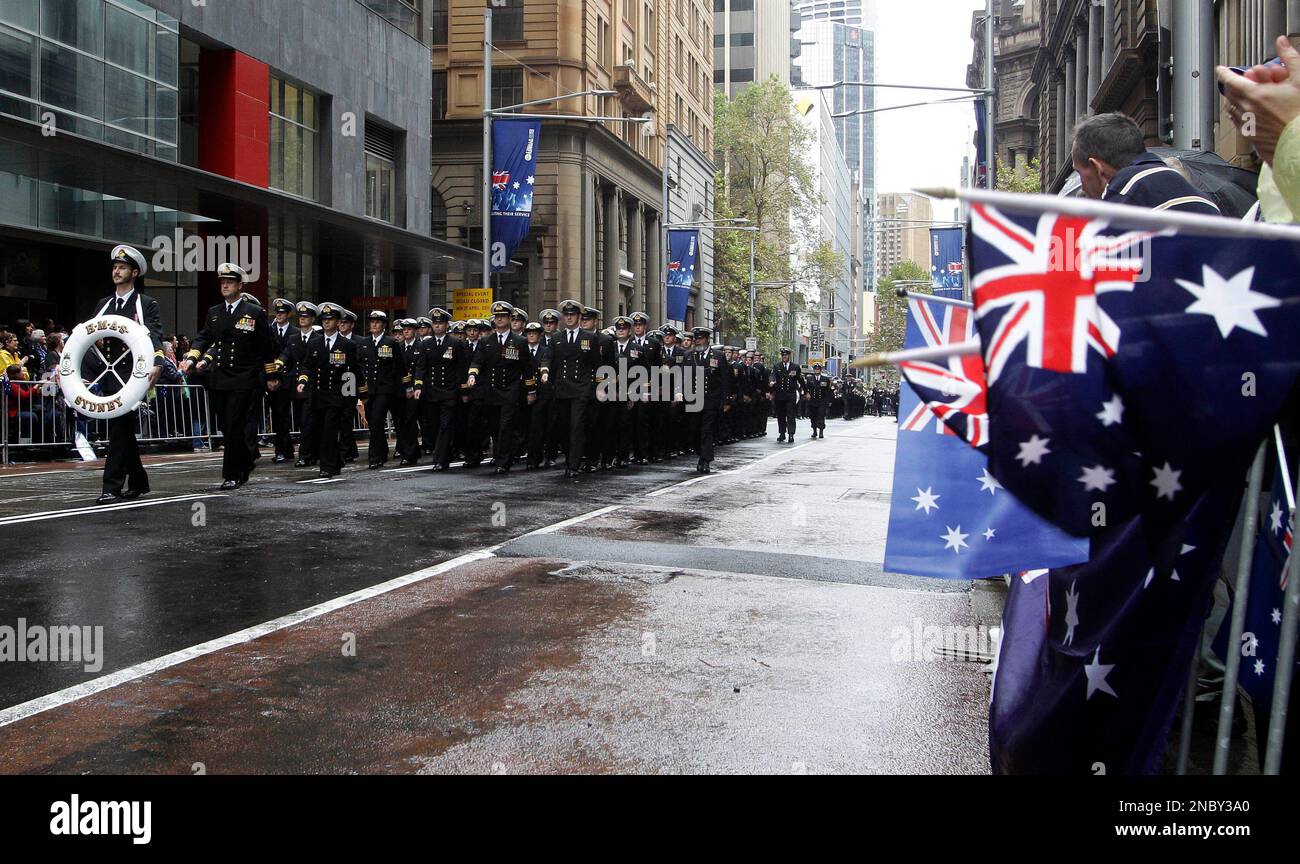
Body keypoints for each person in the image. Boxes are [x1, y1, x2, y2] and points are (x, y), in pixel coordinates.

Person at [181, 263, 275, 489]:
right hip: (221, 378)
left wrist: (272, 375)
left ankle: (232, 473)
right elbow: (204, 338)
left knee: (234, 424)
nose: (225, 285)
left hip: (245, 378)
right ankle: (244, 464)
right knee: (226, 424)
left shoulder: (253, 312)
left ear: (240, 285)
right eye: (222, 282)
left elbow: (266, 347)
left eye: (230, 282)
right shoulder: (215, 313)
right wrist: (192, 358)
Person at [89, 245, 165, 504]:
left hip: (133, 375)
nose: (116, 271)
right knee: (123, 431)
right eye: (114, 266)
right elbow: (88, 338)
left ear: (134, 272)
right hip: (110, 376)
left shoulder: (145, 304)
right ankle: (139, 482)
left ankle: (111, 486)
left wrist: (158, 363)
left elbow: (154, 334)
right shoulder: (104, 304)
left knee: (119, 429)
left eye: (122, 267)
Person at [1070, 112, 1220, 214]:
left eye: (1079, 172)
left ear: (1097, 167)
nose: (1082, 187)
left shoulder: (1125, 197)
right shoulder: (1200, 198)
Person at [295, 303, 364, 479]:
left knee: (329, 431)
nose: (326, 323)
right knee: (318, 431)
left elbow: (352, 371)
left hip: (336, 395)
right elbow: (307, 365)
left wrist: (354, 397)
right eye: (324, 319)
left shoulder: (347, 345)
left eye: (330, 319)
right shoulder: (314, 343)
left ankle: (326, 467)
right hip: (318, 394)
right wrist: (303, 380)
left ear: (338, 321)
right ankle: (336, 460)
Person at [467, 300, 533, 474]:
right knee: (494, 427)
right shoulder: (486, 341)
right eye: (497, 317)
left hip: (510, 390)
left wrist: (530, 390)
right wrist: (472, 374)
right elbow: (477, 361)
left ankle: (503, 462)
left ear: (510, 318)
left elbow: (527, 368)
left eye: (503, 316)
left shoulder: (519, 341)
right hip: (491, 391)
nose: (500, 319)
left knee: (506, 426)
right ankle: (501, 455)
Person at [413, 308, 465, 472]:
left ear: (446, 325)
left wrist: (460, 389)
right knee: (434, 425)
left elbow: (460, 368)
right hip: (432, 391)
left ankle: (439, 459)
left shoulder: (455, 343)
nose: (437, 326)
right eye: (435, 323)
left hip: (449, 391)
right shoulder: (425, 344)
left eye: (440, 323)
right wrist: (418, 386)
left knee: (445, 425)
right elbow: (421, 367)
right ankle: (445, 453)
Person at [357, 311, 408, 469]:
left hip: (386, 388)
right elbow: (359, 366)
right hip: (369, 389)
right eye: (372, 322)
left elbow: (401, 367)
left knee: (378, 419)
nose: (374, 325)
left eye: (377, 322)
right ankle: (382, 450)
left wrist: (406, 387)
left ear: (384, 325)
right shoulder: (364, 343)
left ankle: (375, 457)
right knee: (373, 422)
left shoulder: (391, 342)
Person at [685, 327, 730, 474]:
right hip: (693, 400)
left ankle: (705, 460)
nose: (697, 341)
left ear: (707, 339)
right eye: (696, 339)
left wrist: (725, 401)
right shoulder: (689, 355)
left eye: (700, 338)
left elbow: (724, 380)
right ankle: (701, 454)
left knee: (707, 430)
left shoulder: (718, 356)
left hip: (711, 399)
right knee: (694, 430)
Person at [770, 347, 802, 444]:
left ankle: (791, 434)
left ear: (789, 356)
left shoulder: (795, 367)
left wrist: (806, 391)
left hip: (790, 394)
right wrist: (771, 382)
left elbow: (800, 380)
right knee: (781, 415)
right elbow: (773, 375)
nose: (784, 357)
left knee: (791, 415)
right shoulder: (777, 366)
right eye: (783, 355)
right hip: (780, 394)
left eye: (786, 355)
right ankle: (782, 433)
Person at [805, 363, 832, 439]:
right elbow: (807, 388)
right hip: (812, 400)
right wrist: (807, 393)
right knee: (813, 416)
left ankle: (821, 431)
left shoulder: (825, 379)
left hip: (821, 401)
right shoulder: (810, 378)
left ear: (820, 370)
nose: (817, 370)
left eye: (818, 369)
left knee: (821, 416)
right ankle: (814, 431)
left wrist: (829, 400)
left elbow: (828, 390)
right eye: (815, 369)